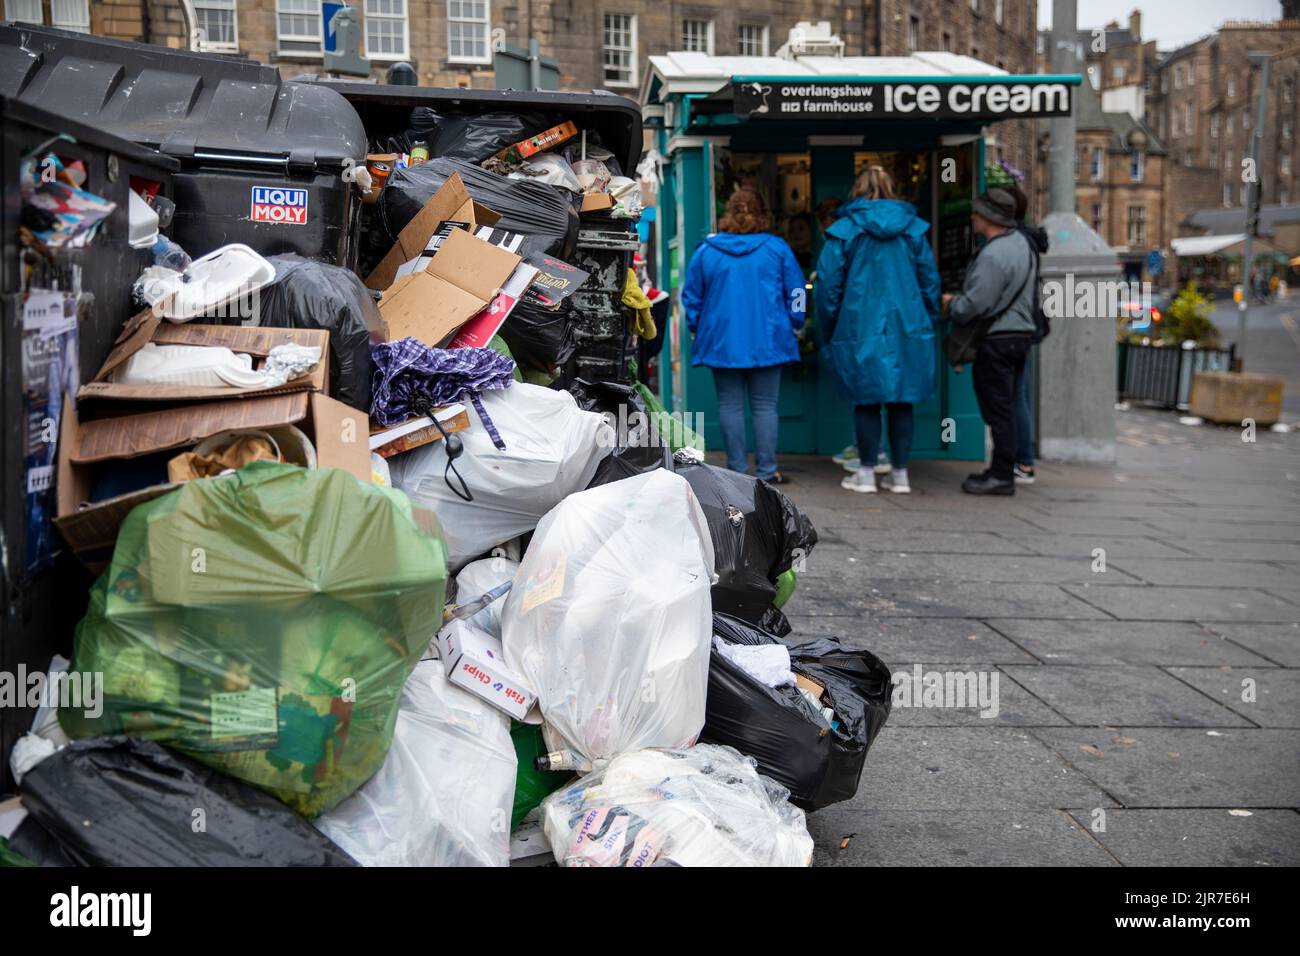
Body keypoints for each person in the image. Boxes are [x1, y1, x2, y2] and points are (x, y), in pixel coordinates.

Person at [816, 165, 942, 495]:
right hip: (909, 324)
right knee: (903, 400)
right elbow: (930, 281)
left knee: (866, 400)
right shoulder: (913, 230)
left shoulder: (844, 231)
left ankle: (867, 473)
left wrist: (828, 327)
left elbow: (828, 286)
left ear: (857, 190)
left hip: (859, 323)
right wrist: (930, 317)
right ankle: (900, 475)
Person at [682, 187, 805, 484]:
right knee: (765, 406)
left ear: (728, 214)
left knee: (729, 406)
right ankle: (766, 471)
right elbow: (797, 292)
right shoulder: (777, 249)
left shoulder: (706, 252)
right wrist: (795, 323)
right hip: (770, 338)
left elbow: (691, 296)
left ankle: (736, 472)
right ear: (762, 214)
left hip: (722, 340)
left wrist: (696, 326)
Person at [942, 188, 1039, 496]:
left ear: (990, 218)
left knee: (998, 408)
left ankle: (1001, 475)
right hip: (1020, 335)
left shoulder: (994, 254)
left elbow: (975, 304)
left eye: (977, 212)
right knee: (1009, 404)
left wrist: (950, 304)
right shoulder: (1023, 244)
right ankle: (1004, 468)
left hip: (997, 339)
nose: (972, 217)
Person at [1004, 184, 1049, 484]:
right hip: (1027, 324)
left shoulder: (1015, 242)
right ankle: (1023, 459)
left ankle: (1022, 461)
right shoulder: (1028, 239)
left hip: (1015, 325)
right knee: (1019, 394)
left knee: (1015, 395)